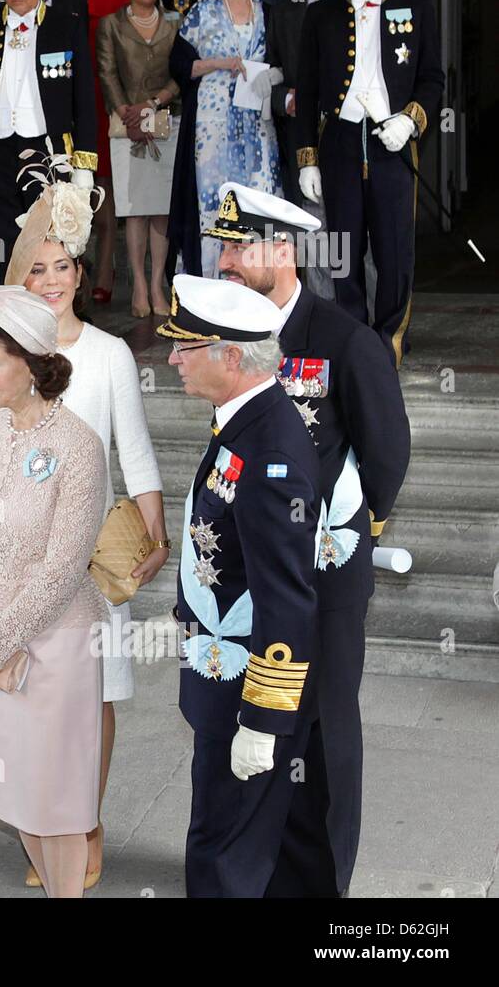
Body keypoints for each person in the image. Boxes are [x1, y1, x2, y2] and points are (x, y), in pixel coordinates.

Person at [0, 166, 169, 889]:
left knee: (93, 697)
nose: (49, 278)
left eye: (61, 266)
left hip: (87, 558)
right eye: (35, 268)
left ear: (79, 273)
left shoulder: (107, 355)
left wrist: (154, 532)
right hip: (13, 555)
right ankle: (40, 823)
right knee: (22, 700)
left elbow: (132, 451)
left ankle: (82, 820)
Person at [217, 181, 410, 896]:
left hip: (323, 576)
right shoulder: (230, 336)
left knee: (322, 734)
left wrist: (352, 533)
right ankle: (265, 864)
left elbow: (386, 451)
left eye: (241, 247)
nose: (227, 261)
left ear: (286, 249)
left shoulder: (342, 340)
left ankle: (323, 880)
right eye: (225, 245)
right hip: (253, 576)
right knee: (259, 720)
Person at [156, 272, 323, 898]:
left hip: (248, 684)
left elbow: (287, 598)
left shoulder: (271, 449)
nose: (171, 357)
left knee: (223, 851)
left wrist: (263, 718)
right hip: (223, 669)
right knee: (228, 834)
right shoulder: (244, 422)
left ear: (231, 355)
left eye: (185, 346)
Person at [0, 285, 107, 898]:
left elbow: (63, 569)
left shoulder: (79, 447)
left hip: (56, 648)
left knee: (58, 800)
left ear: (32, 362)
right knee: (18, 798)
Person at [295, 0, 444, 368]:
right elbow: (309, 89)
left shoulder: (415, 7)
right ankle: (354, 339)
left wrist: (412, 119)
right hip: (339, 142)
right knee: (342, 248)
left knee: (394, 247)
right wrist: (307, 157)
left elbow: (434, 77)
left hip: (392, 144)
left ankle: (388, 338)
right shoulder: (320, 16)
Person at [0, 0, 96, 284]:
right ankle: (2, 304)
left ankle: (56, 305)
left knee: (53, 234)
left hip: (47, 150)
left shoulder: (65, 24)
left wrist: (83, 164)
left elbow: (84, 95)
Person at [168, 0, 292, 279]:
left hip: (257, 126)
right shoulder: (202, 14)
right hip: (212, 127)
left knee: (257, 203)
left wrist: (272, 75)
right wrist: (221, 64)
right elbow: (180, 67)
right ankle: (210, 284)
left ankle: (258, 284)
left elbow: (285, 64)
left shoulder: (268, 13)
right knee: (213, 205)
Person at [96, 0, 180, 317]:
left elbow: (183, 72)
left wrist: (155, 102)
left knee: (160, 209)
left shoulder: (175, 23)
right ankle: (138, 287)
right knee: (133, 211)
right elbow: (106, 70)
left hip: (165, 121)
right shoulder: (110, 24)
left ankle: (158, 283)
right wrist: (124, 110)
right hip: (126, 125)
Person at [265, 0, 344, 299]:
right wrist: (286, 99)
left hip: (356, 147)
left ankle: (374, 331)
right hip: (306, 146)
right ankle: (325, 322)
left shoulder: (363, 1)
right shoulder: (284, 13)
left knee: (363, 242)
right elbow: (269, 80)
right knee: (315, 242)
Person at [57, 0, 128, 304]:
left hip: (105, 101)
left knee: (104, 187)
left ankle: (105, 266)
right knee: (71, 189)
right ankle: (74, 274)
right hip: (67, 100)